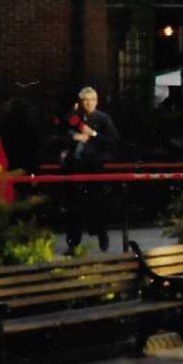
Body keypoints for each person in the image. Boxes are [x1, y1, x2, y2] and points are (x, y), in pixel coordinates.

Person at [60, 86, 119, 255]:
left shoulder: (103, 119)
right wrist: (74, 136)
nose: (88, 104)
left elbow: (113, 141)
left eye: (91, 100)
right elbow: (61, 134)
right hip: (75, 166)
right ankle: (73, 243)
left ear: (96, 101)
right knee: (74, 207)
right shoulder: (73, 118)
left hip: (94, 166)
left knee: (97, 204)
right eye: (85, 100)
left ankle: (101, 234)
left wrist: (93, 134)